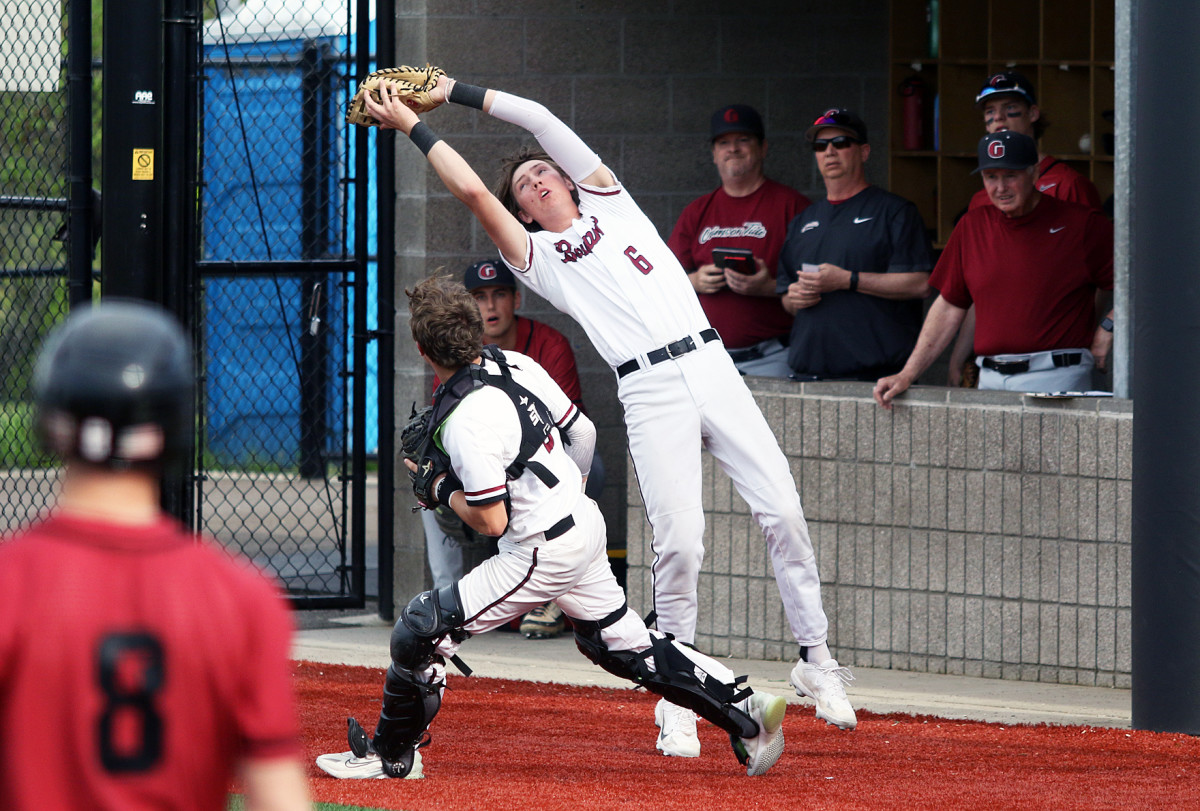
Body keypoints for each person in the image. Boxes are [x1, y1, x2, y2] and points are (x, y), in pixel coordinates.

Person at [359, 66, 858, 759]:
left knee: (784, 511)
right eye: (526, 186)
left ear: (565, 178)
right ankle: (679, 702)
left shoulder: (612, 200)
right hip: (648, 388)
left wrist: (452, 92)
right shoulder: (539, 257)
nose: (537, 180)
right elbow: (474, 190)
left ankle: (817, 657)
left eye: (543, 173)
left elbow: (536, 116)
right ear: (526, 211)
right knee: (681, 542)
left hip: (713, 363)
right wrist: (413, 126)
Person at [316, 276, 787, 778]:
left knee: (419, 630)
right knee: (619, 643)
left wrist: (439, 490)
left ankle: (391, 756)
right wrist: (567, 495)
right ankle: (747, 713)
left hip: (539, 551)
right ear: (475, 331)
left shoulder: (464, 423)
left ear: (420, 348)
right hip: (583, 524)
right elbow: (582, 431)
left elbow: (491, 521)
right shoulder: (514, 362)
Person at [0, 301, 310, 811]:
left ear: (52, 422)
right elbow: (279, 799)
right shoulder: (241, 597)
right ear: (172, 426)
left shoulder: (12, 580)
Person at [873, 130, 1114, 407]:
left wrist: (1108, 327)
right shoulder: (972, 225)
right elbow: (950, 305)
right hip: (990, 378)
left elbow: (1140, 285)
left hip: (1058, 377)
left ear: (1034, 173)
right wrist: (908, 373)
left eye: (1010, 175)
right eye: (991, 177)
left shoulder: (1080, 223)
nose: (1000, 188)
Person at [423, 258, 595, 640]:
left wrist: (443, 490)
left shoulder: (538, 350)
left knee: (591, 466)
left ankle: (449, 609)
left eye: (498, 294)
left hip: (546, 482)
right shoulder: (464, 363)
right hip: (570, 525)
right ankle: (446, 589)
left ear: (515, 299)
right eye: (479, 297)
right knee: (424, 474)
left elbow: (578, 435)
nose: (490, 306)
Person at [949, 71, 1105, 385]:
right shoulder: (983, 199)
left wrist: (1092, 333)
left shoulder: (1068, 184)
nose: (999, 120)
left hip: (1057, 361)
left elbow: (1098, 277)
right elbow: (980, 290)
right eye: (990, 113)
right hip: (996, 364)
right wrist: (958, 356)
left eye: (1011, 110)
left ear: (1033, 114)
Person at [777, 108, 934, 381]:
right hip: (809, 375)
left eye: (840, 143)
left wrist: (848, 280)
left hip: (876, 378)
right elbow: (787, 298)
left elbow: (920, 284)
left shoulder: (894, 211)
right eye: (820, 145)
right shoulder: (804, 221)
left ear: (863, 152)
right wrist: (795, 296)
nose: (829, 151)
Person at [667, 104, 811, 378]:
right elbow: (660, 280)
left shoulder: (793, 207)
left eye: (743, 140)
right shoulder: (697, 211)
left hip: (774, 357)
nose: (733, 149)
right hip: (709, 359)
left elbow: (819, 282)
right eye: (724, 143)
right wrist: (695, 281)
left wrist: (769, 287)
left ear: (763, 148)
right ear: (714, 154)